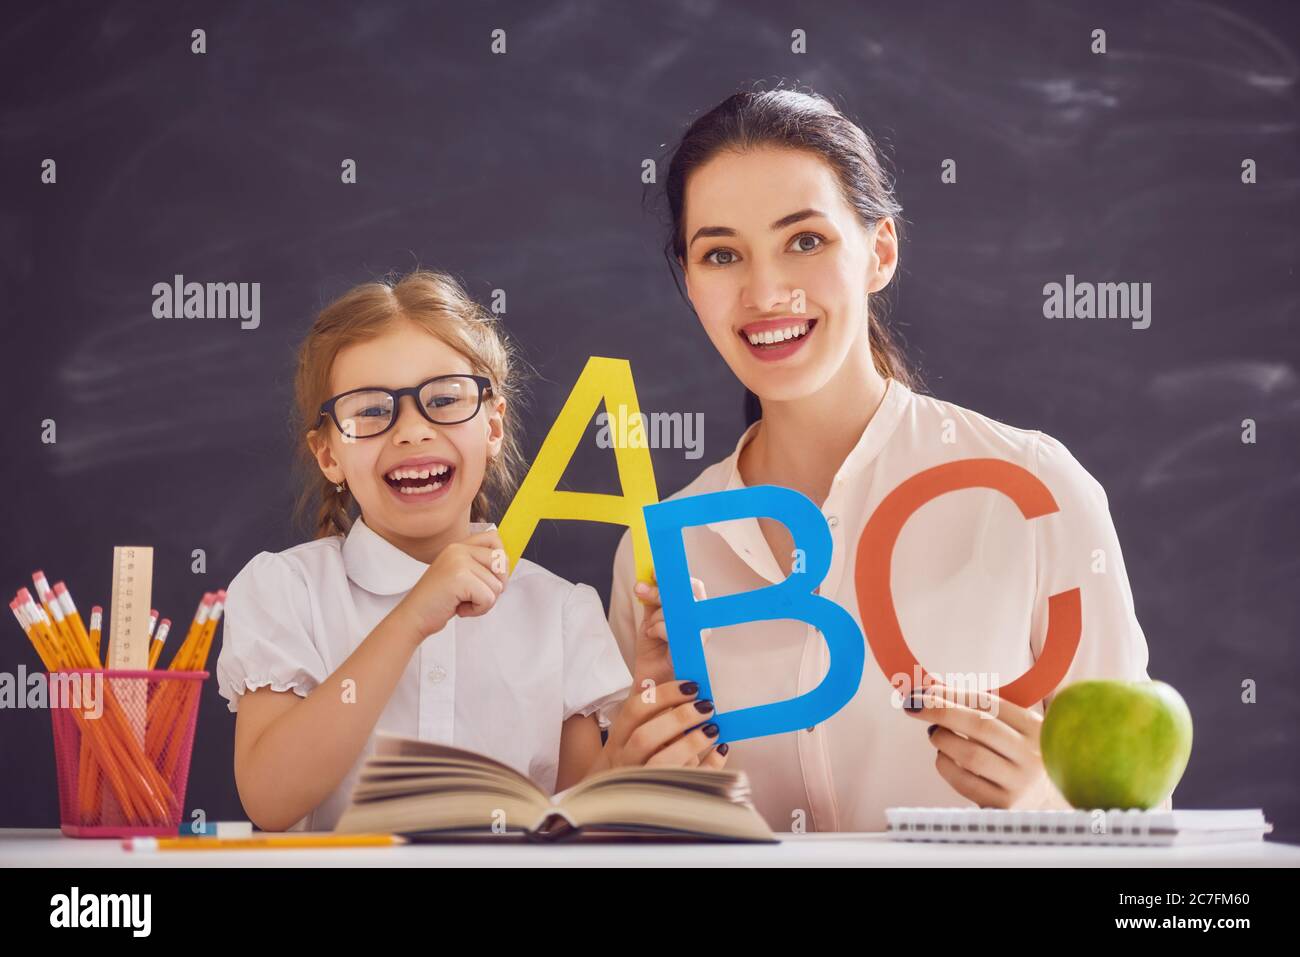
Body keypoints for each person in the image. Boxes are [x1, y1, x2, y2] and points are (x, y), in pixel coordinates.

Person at [608, 89, 1167, 832]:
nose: (766, 291)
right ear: (689, 280)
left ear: (880, 251)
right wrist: (628, 789)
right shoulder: (660, 550)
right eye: (721, 254)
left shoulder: (1034, 490)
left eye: (805, 240)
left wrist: (1056, 805)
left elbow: (1153, 839)